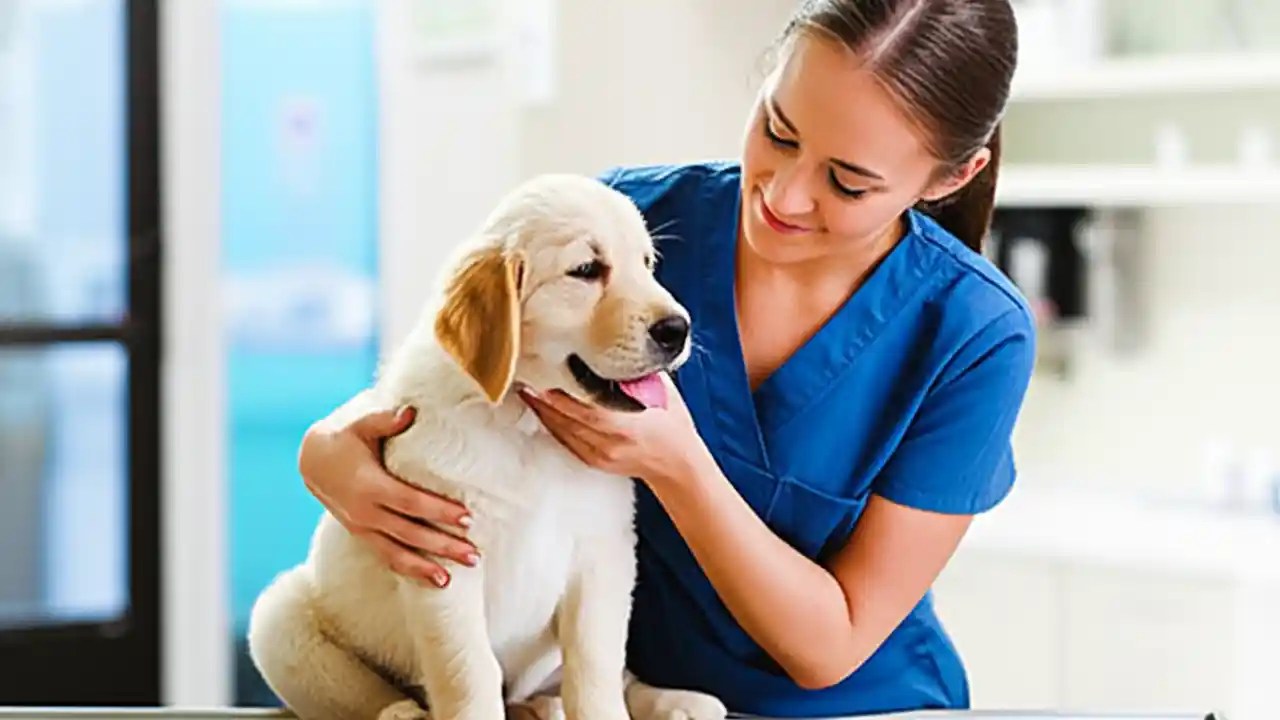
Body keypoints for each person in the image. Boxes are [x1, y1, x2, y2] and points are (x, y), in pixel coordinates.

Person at [297, 0, 1035, 716]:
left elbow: (829, 647)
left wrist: (678, 464)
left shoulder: (974, 333)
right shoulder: (631, 220)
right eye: (778, 131)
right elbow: (475, 364)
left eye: (846, 181)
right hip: (619, 697)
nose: (783, 193)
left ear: (949, 179)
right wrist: (333, 450)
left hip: (860, 712)